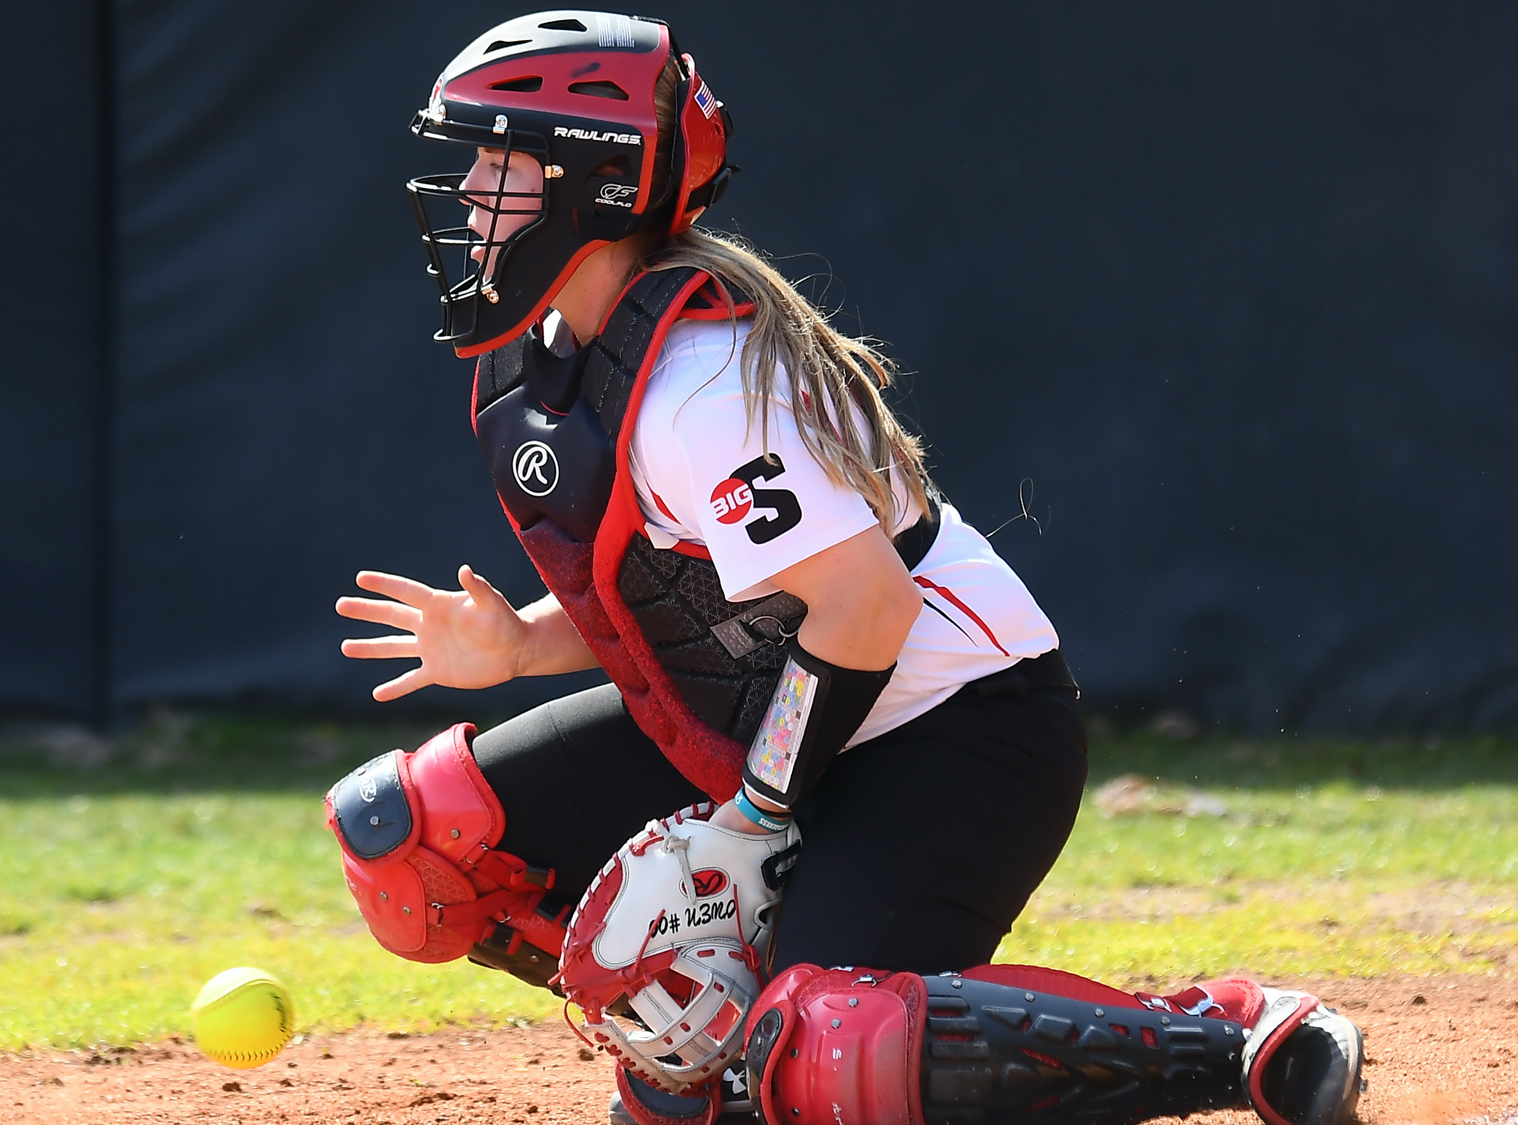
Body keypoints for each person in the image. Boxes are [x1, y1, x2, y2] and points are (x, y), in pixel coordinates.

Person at [323, 13, 1363, 1125]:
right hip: (791, 710)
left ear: (596, 185)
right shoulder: (567, 361)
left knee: (824, 1049)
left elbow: (866, 607)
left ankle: (1229, 1041)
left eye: (503, 161)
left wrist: (754, 821)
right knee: (416, 844)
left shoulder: (695, 386)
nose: (473, 190)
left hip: (958, 732)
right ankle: (711, 1050)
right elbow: (690, 591)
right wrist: (525, 645)